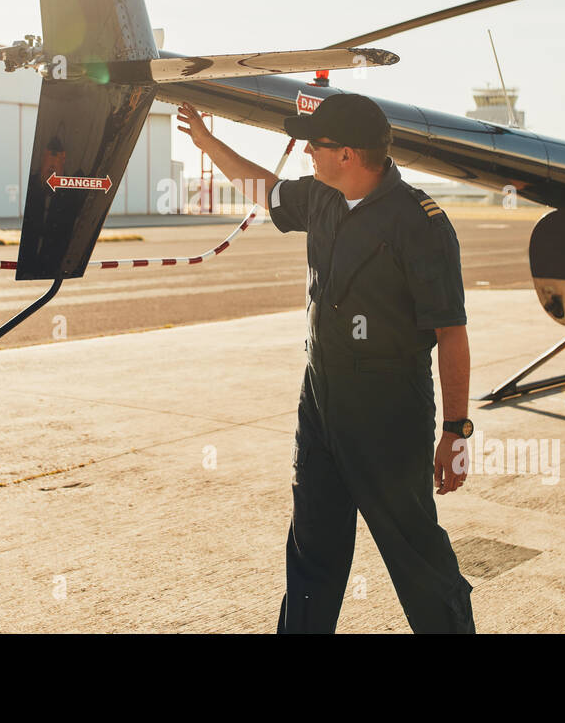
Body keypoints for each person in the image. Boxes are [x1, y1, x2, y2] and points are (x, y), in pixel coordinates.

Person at [176, 94, 477, 634]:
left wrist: (456, 430)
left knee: (416, 556)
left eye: (318, 143)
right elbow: (265, 190)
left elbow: (451, 333)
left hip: (387, 412)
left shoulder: (421, 223)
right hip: (320, 402)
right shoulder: (322, 196)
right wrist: (205, 141)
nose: (308, 151)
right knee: (312, 550)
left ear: (349, 155)